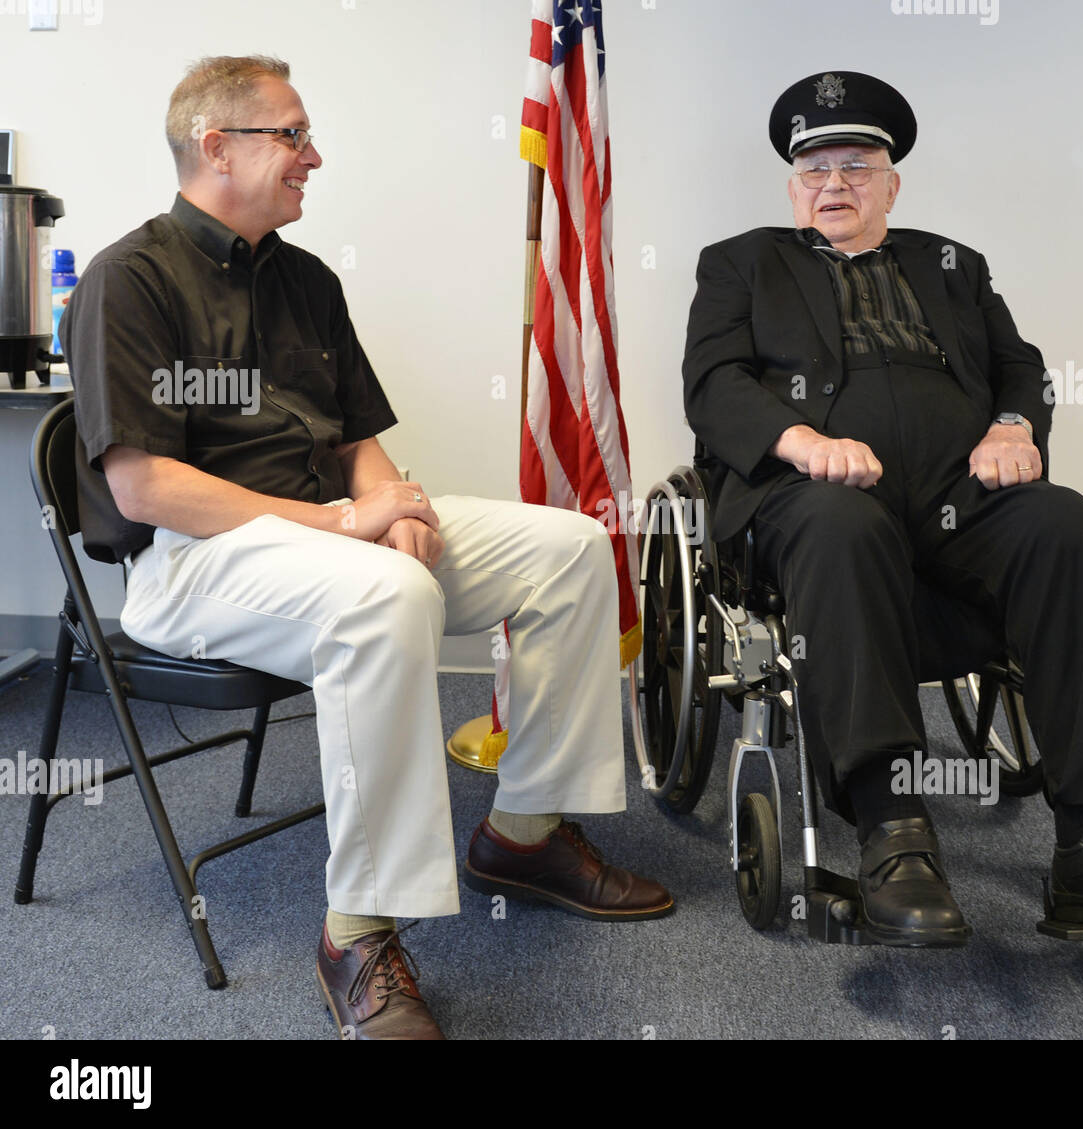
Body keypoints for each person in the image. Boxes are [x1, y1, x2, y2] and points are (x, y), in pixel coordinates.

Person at [60, 55, 672, 1040]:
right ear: (217, 146)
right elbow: (145, 487)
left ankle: (521, 833)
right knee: (387, 593)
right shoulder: (126, 280)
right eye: (293, 135)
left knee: (565, 545)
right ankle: (356, 934)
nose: (315, 157)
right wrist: (354, 526)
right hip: (191, 562)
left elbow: (355, 443)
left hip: (325, 536)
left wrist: (395, 502)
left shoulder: (307, 279)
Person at [682, 70, 1083, 947]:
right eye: (815, 168)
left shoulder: (952, 265)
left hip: (957, 496)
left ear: (891, 183)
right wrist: (799, 441)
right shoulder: (743, 263)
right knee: (839, 522)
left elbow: (1021, 366)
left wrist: (1015, 424)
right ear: (792, 185)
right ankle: (894, 834)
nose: (834, 184)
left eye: (856, 165)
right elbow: (712, 385)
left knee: (1064, 524)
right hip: (814, 495)